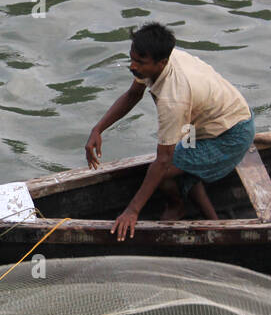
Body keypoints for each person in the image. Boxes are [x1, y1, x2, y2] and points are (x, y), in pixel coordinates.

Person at [84, 23, 254, 240]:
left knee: (164, 172)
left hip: (230, 134)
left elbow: (163, 161)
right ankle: (213, 220)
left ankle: (181, 207)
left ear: (161, 63)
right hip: (199, 124)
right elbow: (132, 95)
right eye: (132, 59)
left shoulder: (173, 98)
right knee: (180, 159)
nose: (133, 66)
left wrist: (132, 211)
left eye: (140, 63)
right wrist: (97, 129)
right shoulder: (154, 63)